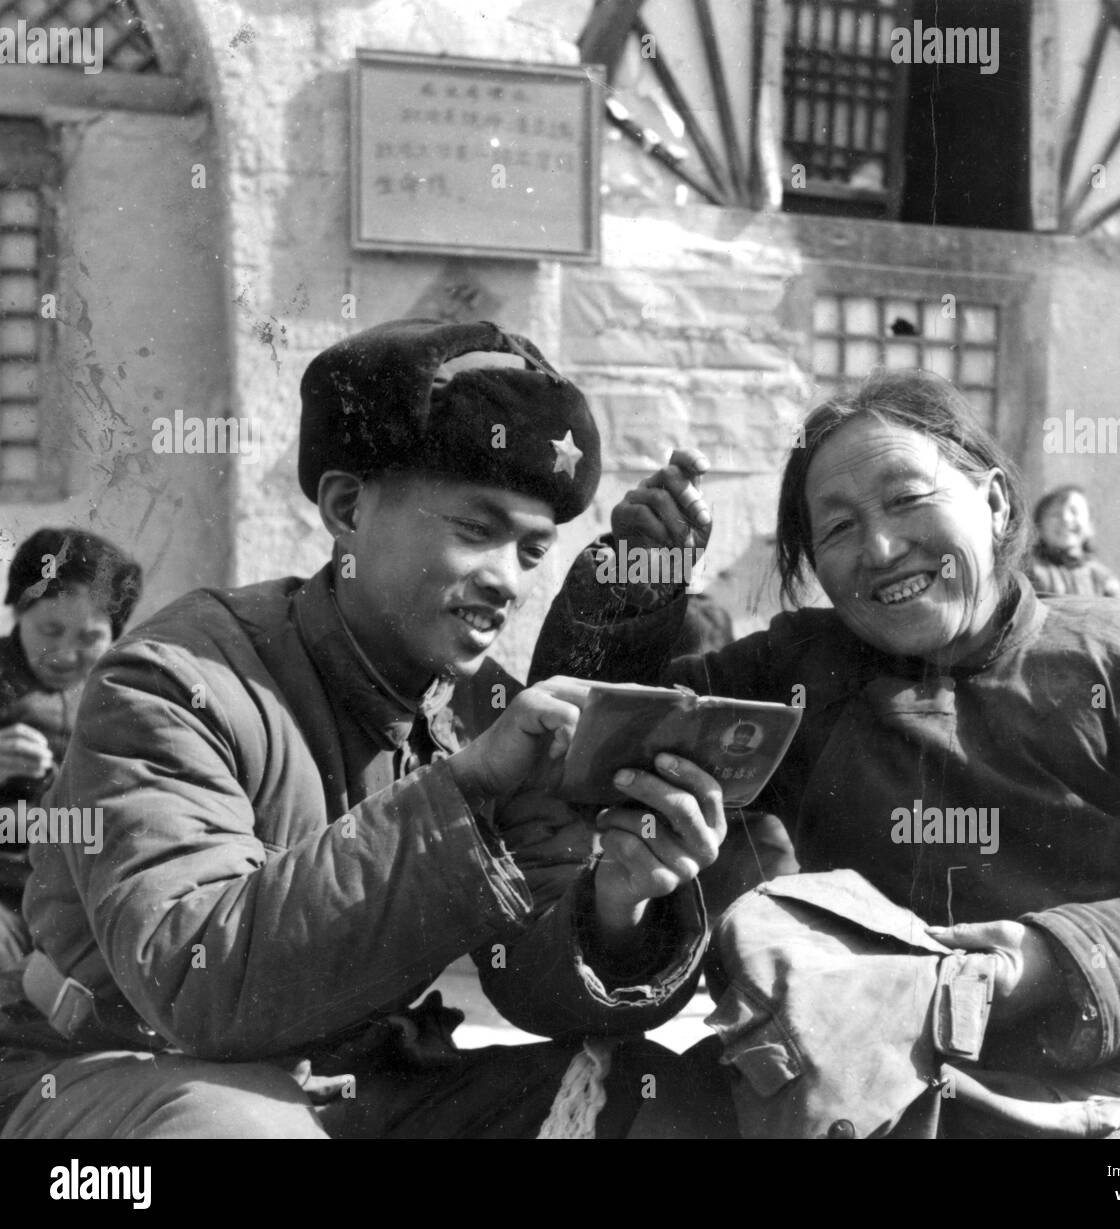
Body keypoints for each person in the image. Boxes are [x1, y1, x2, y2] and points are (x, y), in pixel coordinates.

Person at [0, 319, 723, 1140]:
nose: (506, 581)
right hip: (109, 1075)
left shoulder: (480, 709)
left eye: (532, 550)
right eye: (476, 530)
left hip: (357, 1082)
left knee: (663, 1104)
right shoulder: (178, 680)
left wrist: (618, 900)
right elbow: (197, 981)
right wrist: (463, 789)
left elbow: (524, 979)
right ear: (347, 508)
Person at [533, 367, 1120, 1138]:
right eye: (836, 529)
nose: (882, 547)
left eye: (907, 499)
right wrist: (633, 581)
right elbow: (583, 743)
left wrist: (1047, 959)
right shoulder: (800, 674)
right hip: (876, 1081)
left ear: (996, 502)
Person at [0, 528, 141, 969]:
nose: (64, 653)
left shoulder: (126, 698)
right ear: (18, 611)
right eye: (51, 629)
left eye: (89, 639)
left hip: (82, 904)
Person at [1026, 485, 1120, 598]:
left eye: (1074, 512)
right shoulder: (1028, 571)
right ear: (1039, 527)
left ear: (1090, 525)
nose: (1065, 519)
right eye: (1055, 514)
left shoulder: (1102, 577)